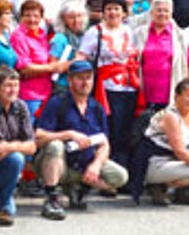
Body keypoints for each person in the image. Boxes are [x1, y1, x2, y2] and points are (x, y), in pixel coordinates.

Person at [33, 61, 130, 219]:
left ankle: (79, 188)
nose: (85, 82)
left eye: (88, 78)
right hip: (56, 163)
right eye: (80, 78)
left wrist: (96, 166)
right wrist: (69, 134)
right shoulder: (57, 103)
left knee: (120, 177)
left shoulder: (97, 108)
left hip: (84, 164)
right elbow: (38, 137)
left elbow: (104, 143)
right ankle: (51, 198)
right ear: (70, 80)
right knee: (55, 146)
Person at [75, 0, 142, 169]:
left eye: (117, 9)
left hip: (130, 86)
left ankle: (125, 172)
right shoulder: (95, 32)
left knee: (127, 129)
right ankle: (108, 172)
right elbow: (82, 55)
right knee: (110, 128)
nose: (113, 13)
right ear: (103, 12)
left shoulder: (130, 31)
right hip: (106, 87)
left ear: (124, 13)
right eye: (109, 9)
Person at [137, 79, 189, 206]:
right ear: (177, 96)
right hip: (156, 162)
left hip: (172, 157)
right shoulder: (171, 116)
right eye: (188, 96)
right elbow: (180, 152)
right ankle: (157, 186)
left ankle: (183, 192)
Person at [0, 66, 38, 226]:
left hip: (6, 157)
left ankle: (0, 201)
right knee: (16, 159)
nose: (13, 90)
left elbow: (32, 146)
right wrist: (18, 146)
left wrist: (10, 146)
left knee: (15, 157)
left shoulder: (20, 106)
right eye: (8, 86)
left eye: (16, 85)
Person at [135, 0, 189, 113]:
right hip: (144, 93)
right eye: (158, 10)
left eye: (166, 11)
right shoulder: (140, 33)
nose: (162, 14)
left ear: (171, 13)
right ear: (151, 12)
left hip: (171, 93)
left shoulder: (180, 35)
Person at [11, 0, 71, 117]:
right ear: (21, 17)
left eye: (36, 16)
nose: (32, 20)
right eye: (27, 15)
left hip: (46, 91)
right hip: (29, 94)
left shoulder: (41, 34)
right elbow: (25, 69)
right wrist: (52, 68)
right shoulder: (19, 37)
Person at [49, 0, 88, 96]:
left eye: (79, 16)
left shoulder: (84, 36)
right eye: (71, 17)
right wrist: (74, 62)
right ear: (63, 19)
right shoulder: (60, 39)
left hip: (82, 87)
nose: (76, 21)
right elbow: (53, 66)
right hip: (63, 87)